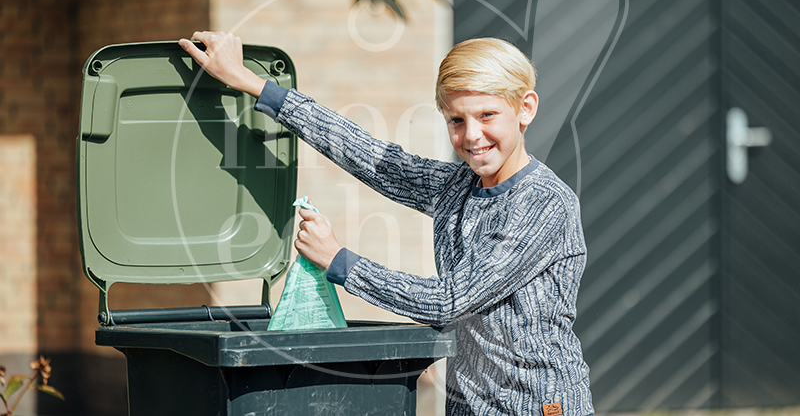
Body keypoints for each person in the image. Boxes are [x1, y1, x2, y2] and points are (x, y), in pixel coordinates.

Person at [179, 31, 593, 416]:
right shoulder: (457, 186)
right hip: (468, 403)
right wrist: (252, 83)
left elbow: (448, 302)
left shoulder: (543, 203)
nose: (472, 135)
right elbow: (372, 157)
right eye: (457, 120)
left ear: (525, 108)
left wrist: (338, 261)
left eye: (487, 115)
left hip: (538, 405)